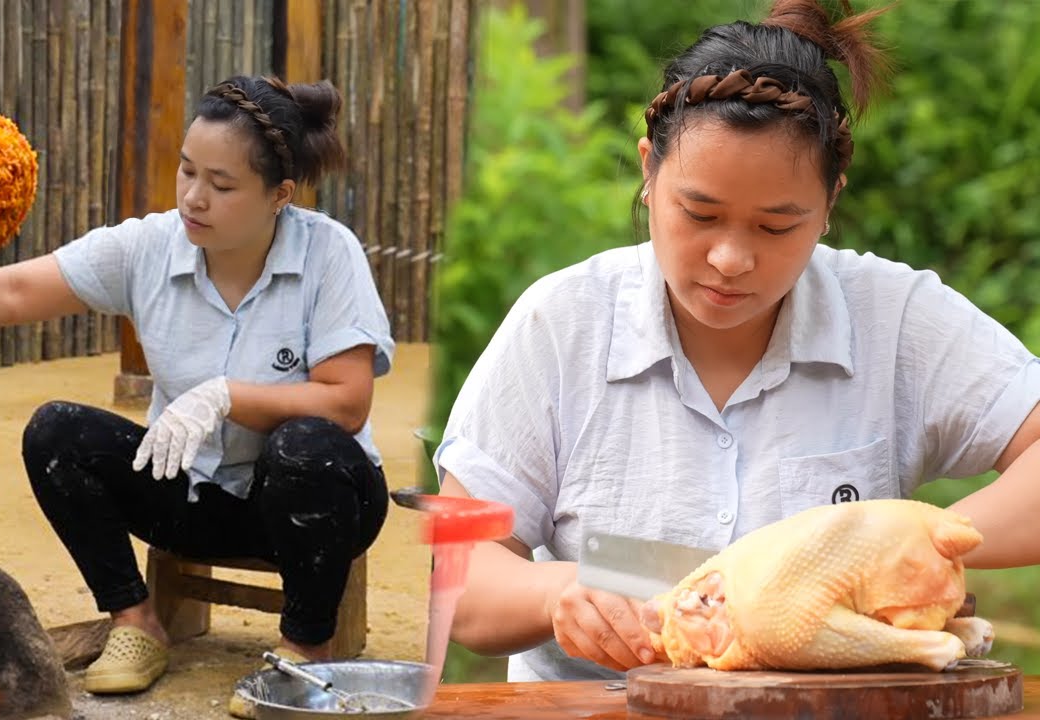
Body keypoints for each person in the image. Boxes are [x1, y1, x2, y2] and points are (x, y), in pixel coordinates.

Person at [434, 0, 1040, 683]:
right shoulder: (562, 325)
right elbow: (460, 578)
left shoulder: (894, 318)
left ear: (831, 201)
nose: (730, 258)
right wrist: (558, 596)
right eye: (700, 213)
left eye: (777, 227)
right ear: (648, 171)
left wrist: (912, 545)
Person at [0, 75, 395, 707]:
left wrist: (226, 395)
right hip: (189, 496)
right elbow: (14, 291)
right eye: (187, 171)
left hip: (308, 510)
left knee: (307, 444)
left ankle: (305, 653)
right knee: (57, 432)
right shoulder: (149, 246)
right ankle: (135, 622)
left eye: (221, 185)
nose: (194, 197)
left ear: (280, 195)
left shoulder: (330, 253)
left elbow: (346, 400)